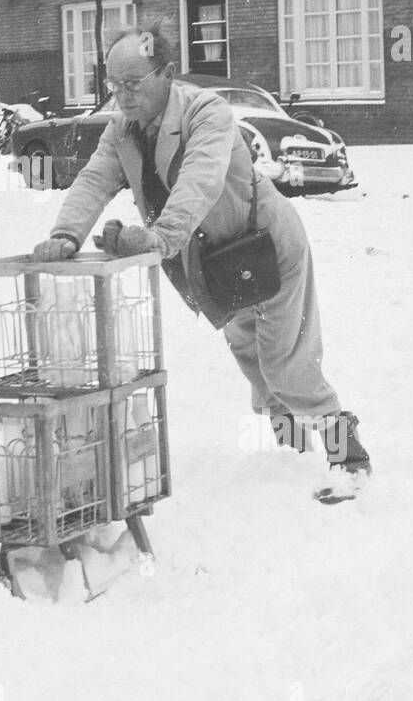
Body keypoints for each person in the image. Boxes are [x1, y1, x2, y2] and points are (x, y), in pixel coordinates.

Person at [31, 25, 371, 502]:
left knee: (286, 366)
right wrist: (66, 234)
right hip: (217, 263)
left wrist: (160, 237)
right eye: (113, 85)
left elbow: (200, 180)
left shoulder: (206, 113)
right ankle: (289, 457)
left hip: (267, 249)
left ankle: (349, 458)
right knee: (254, 363)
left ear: (166, 74)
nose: (122, 97)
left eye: (133, 84)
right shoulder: (122, 130)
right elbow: (93, 180)